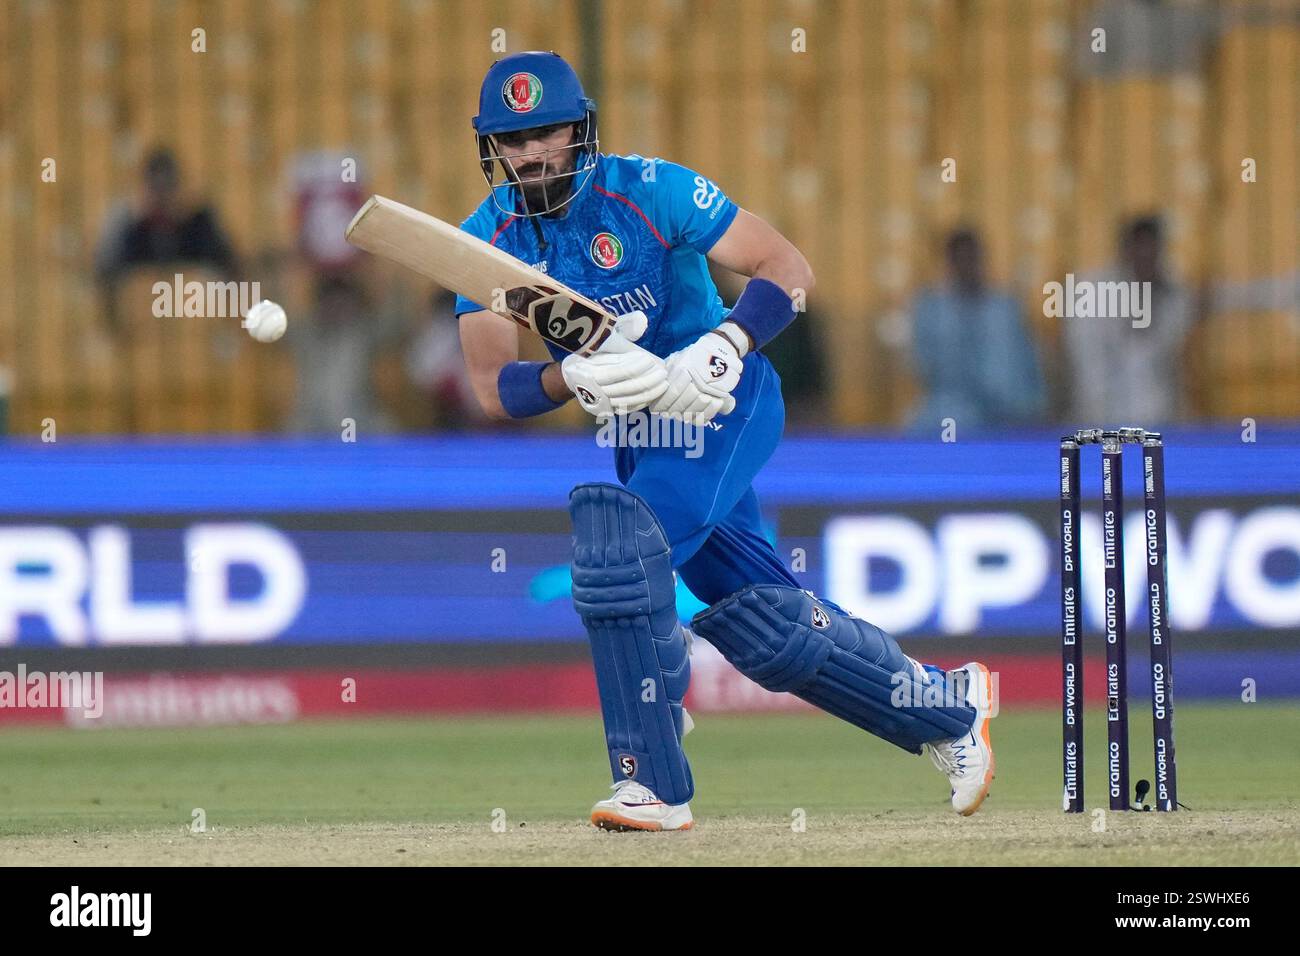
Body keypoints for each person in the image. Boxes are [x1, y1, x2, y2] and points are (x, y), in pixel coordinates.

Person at [453, 52, 995, 830]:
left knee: (617, 553)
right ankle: (949, 710)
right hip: (641, 431)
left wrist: (729, 343)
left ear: (580, 129)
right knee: (764, 626)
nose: (533, 152)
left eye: (548, 132)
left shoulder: (649, 190)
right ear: (492, 147)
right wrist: (569, 378)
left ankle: (653, 781)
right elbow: (492, 388)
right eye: (514, 139)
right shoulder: (487, 242)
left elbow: (788, 267)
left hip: (723, 400)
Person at [908, 229, 1046, 431]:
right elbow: (924, 366)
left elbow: (1028, 363)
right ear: (949, 263)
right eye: (960, 260)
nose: (967, 266)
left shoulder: (1005, 307)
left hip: (1011, 415)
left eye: (971, 259)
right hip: (950, 413)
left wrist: (1034, 405)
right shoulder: (931, 308)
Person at [1063, 216, 1195, 425]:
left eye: (1152, 252)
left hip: (1161, 418)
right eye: (1139, 250)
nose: (1145, 258)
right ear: (1124, 251)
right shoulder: (1091, 293)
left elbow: (1171, 362)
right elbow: (1086, 367)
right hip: (1100, 418)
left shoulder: (1172, 294)